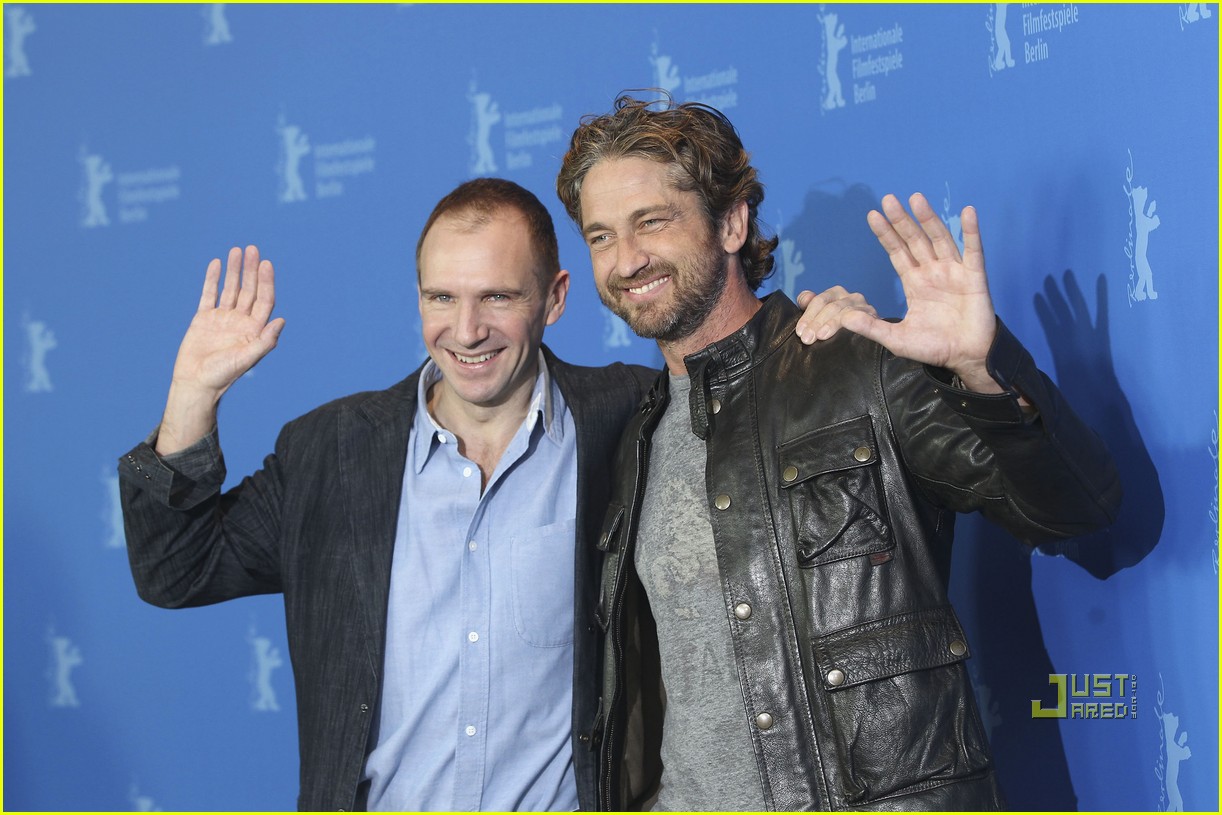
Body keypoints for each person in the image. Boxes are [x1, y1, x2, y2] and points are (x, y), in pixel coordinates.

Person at [118, 178, 866, 810]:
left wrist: (809, 337)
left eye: (497, 297)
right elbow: (176, 569)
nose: (465, 330)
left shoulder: (631, 419)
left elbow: (751, 394)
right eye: (441, 296)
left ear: (555, 297)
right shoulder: (331, 450)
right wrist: (192, 399)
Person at [555, 96, 1122, 811]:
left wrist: (980, 371)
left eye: (651, 222)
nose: (627, 259)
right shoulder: (634, 438)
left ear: (731, 222)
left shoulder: (857, 367)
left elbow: (1076, 509)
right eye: (600, 236)